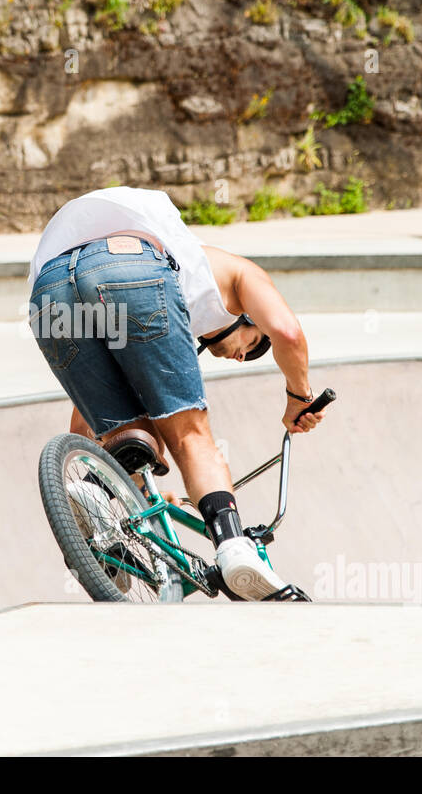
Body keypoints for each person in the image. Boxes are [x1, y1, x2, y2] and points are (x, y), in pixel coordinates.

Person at [27, 186, 326, 600]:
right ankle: (234, 547)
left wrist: (114, 474)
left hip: (49, 289)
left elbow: (86, 419)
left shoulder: (184, 283)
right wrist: (300, 397)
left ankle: (97, 502)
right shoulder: (240, 275)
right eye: (254, 346)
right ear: (246, 317)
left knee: (127, 437)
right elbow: (288, 333)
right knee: (191, 437)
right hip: (130, 264)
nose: (243, 357)